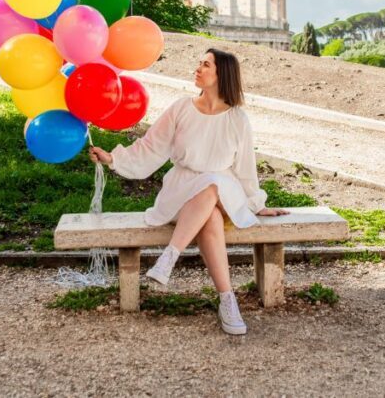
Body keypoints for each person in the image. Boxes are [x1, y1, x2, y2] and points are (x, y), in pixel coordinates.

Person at [89, 48, 288, 335]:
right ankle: (226, 299)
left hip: (223, 192)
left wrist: (256, 204)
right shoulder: (181, 108)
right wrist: (113, 159)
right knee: (210, 214)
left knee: (211, 186)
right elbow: (150, 147)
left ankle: (170, 257)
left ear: (222, 75)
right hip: (182, 191)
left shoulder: (237, 119)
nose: (198, 68)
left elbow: (245, 169)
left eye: (205, 65)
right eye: (199, 62)